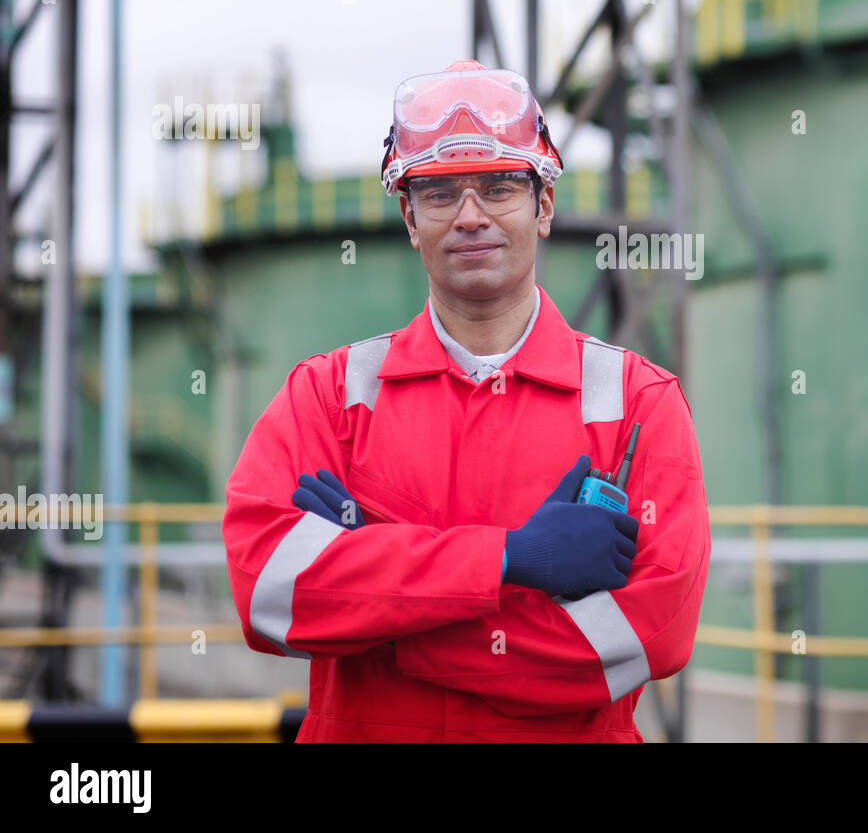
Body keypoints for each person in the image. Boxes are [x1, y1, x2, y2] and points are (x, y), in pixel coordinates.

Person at [222, 60, 710, 742]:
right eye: (440, 193)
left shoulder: (638, 404)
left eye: (500, 187)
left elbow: (647, 635)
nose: (471, 216)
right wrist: (509, 559)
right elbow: (269, 592)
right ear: (409, 217)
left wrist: (383, 615)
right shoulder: (328, 396)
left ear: (543, 206)